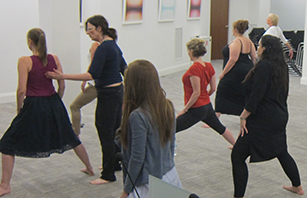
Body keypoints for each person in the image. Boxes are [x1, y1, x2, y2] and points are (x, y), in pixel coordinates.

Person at [0, 28, 94, 196]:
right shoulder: (54, 58)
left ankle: (5, 185)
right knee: (71, 136)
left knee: (7, 143)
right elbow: (62, 83)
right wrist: (56, 100)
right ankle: (89, 167)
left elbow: (21, 89)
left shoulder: (24, 61)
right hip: (53, 102)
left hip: (34, 104)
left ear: (30, 42)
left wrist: (19, 108)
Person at [46, 15, 127, 185]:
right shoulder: (113, 44)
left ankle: (108, 174)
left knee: (105, 131)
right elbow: (123, 68)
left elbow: (93, 74)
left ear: (99, 28)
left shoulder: (104, 47)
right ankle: (114, 164)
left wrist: (63, 76)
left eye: (90, 29)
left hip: (108, 94)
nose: (88, 33)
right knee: (113, 131)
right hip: (117, 92)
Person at [231, 35, 304, 198]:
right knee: (281, 151)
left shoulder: (264, 66)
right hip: (279, 115)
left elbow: (257, 94)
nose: (257, 48)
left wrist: (244, 116)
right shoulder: (281, 65)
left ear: (265, 49)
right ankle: (297, 187)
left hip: (263, 118)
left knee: (237, 155)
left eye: (259, 46)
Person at [118, 60, 182, 198]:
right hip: (170, 174)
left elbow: (137, 158)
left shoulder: (138, 116)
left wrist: (126, 190)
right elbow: (171, 144)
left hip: (148, 184)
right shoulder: (167, 106)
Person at [176, 38, 235, 146]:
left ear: (192, 51)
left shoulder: (194, 69)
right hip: (207, 106)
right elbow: (213, 88)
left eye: (188, 50)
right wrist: (204, 97)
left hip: (196, 108)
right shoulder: (208, 66)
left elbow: (196, 92)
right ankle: (236, 146)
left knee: (172, 127)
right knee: (221, 129)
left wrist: (184, 109)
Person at [210, 20, 256, 126]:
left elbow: (233, 60)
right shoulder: (249, 41)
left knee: (222, 90)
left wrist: (223, 73)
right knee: (242, 91)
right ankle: (245, 114)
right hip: (247, 68)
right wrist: (252, 69)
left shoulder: (237, 42)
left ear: (235, 29)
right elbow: (254, 57)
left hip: (235, 71)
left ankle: (215, 117)